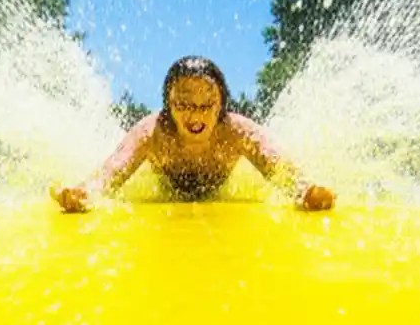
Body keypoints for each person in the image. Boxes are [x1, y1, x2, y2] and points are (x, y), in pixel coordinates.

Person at [50, 56, 336, 212]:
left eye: (206, 105)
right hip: (168, 192)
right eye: (184, 105)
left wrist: (304, 192)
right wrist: (87, 193)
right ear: (168, 107)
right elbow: (114, 168)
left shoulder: (237, 131)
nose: (196, 115)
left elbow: (275, 162)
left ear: (221, 106)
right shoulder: (152, 132)